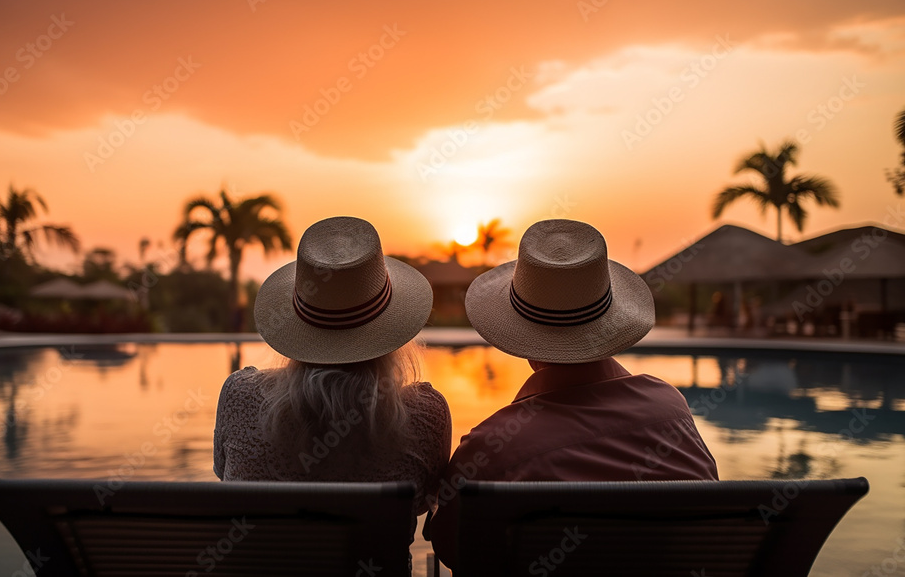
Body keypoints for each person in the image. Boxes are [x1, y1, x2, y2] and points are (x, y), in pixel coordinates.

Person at [426, 219, 718, 568]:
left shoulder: (491, 449)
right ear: (610, 320)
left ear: (522, 338)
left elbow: (455, 551)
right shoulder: (672, 410)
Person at [213, 216, 451, 538]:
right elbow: (423, 503)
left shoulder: (238, 397)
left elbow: (224, 474)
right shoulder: (425, 416)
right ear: (392, 325)